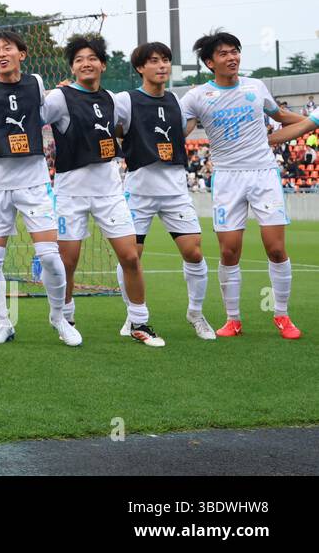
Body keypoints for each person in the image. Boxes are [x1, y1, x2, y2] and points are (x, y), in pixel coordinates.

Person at [0, 30, 78, 346]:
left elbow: (51, 109)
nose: (0, 53)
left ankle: (59, 318)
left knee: (50, 257)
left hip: (34, 185)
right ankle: (3, 322)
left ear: (22, 53)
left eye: (7, 48)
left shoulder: (35, 83)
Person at [181, 31, 310, 339]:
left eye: (235, 51)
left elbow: (280, 117)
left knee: (276, 249)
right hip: (227, 177)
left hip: (263, 173)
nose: (232, 57)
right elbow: (179, 130)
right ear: (210, 62)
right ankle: (233, 319)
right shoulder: (197, 97)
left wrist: (311, 120)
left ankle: (282, 315)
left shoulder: (256, 86)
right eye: (224, 53)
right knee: (229, 252)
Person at [43, 34, 161, 346]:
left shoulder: (115, 99)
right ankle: (66, 318)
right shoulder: (59, 98)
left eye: (92, 58)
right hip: (71, 193)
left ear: (103, 64)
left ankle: (139, 321)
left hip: (110, 191)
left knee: (130, 257)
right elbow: (31, 118)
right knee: (67, 262)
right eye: (79, 59)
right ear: (72, 67)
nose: (86, 63)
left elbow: (123, 130)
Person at [112, 42, 216, 340]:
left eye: (166, 60)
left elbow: (181, 130)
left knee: (193, 252)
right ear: (140, 68)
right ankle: (133, 316)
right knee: (131, 257)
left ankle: (196, 313)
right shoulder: (125, 100)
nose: (162, 66)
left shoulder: (176, 101)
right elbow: (113, 126)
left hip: (174, 190)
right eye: (154, 61)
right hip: (139, 190)